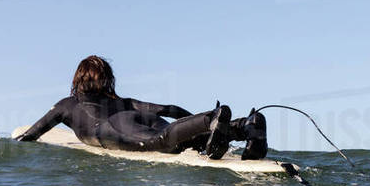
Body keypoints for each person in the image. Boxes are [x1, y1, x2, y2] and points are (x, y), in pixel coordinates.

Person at [14, 55, 268, 160]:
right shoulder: (124, 101)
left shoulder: (67, 105)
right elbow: (168, 109)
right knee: (187, 142)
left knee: (162, 142)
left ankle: (210, 120)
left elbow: (31, 135)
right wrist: (201, 122)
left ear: (77, 80)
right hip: (140, 116)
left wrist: (11, 147)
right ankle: (244, 127)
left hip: (112, 128)